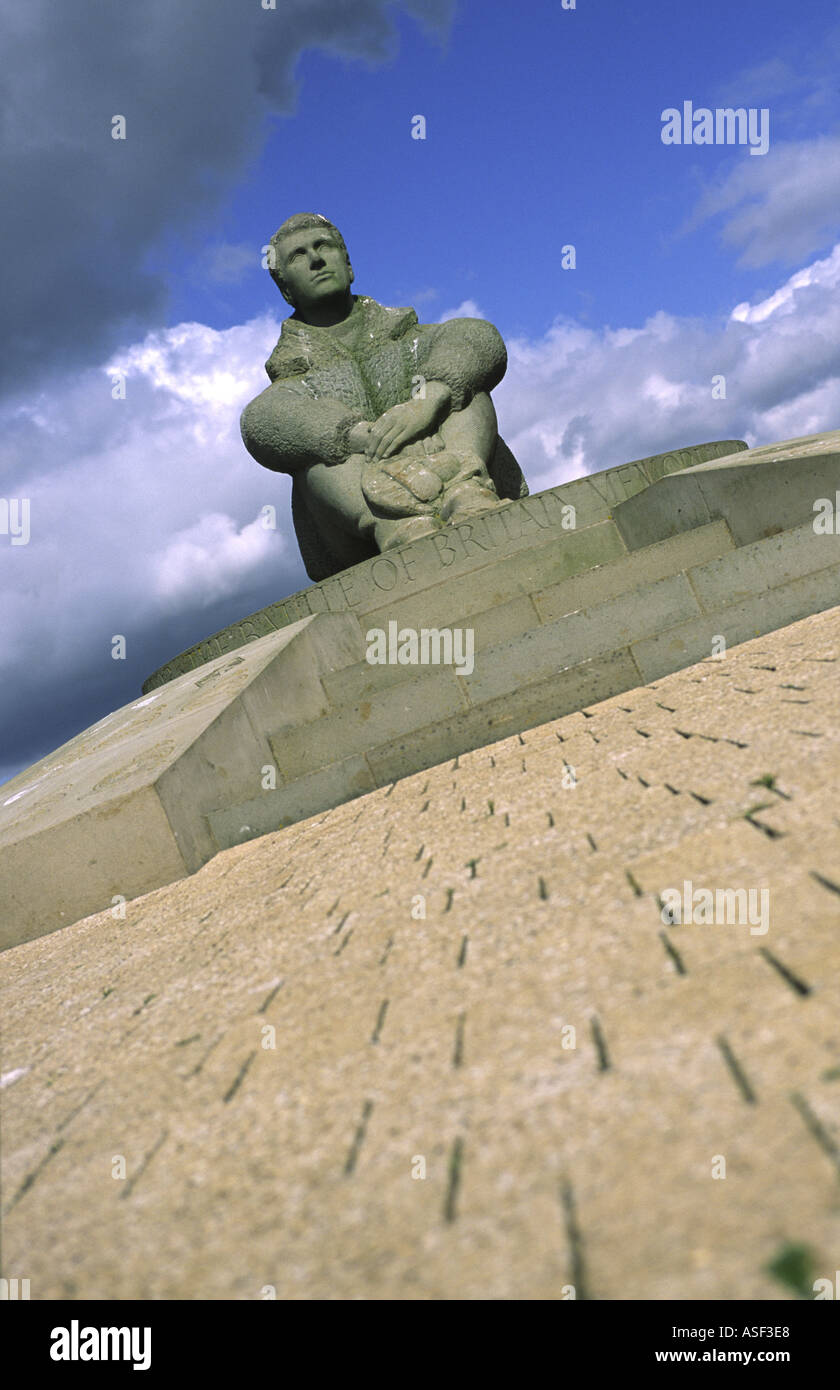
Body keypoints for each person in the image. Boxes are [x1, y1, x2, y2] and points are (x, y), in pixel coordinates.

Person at [241, 213, 527, 581]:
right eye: (298, 256)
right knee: (318, 453)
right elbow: (260, 420)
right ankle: (399, 525)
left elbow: (477, 335)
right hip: (361, 515)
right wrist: (354, 434)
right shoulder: (294, 379)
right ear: (286, 291)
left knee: (461, 385)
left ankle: (468, 491)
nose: (316, 259)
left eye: (323, 247)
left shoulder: (413, 338)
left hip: (454, 472)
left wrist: (429, 400)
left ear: (348, 265)